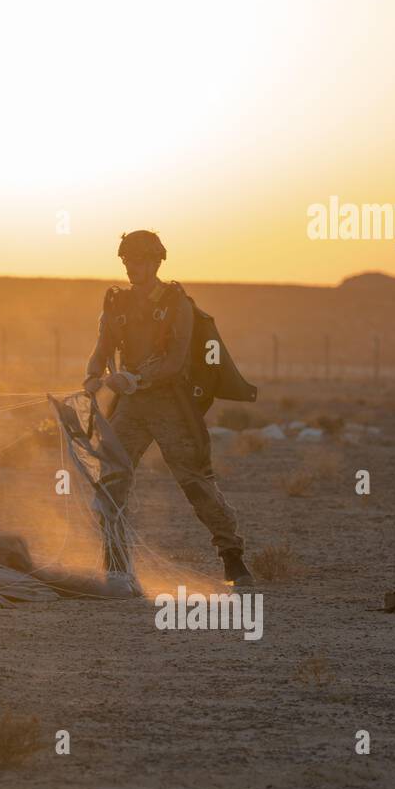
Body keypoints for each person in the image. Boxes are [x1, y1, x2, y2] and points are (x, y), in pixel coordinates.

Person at [83, 230, 254, 586]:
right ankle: (116, 565)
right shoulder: (116, 303)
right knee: (111, 482)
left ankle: (232, 557)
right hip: (131, 408)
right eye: (126, 260)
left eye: (139, 260)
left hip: (170, 405)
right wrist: (92, 376)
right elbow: (102, 348)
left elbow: (175, 362)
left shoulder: (178, 304)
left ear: (156, 262)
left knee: (195, 483)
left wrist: (135, 379)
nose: (131, 267)